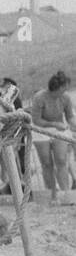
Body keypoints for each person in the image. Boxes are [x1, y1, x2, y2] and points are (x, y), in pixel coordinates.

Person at [30, 71, 74, 203]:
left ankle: (66, 193)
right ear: (58, 87)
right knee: (47, 163)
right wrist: (53, 123)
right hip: (41, 131)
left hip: (59, 130)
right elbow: (36, 120)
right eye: (64, 87)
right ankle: (52, 194)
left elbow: (70, 117)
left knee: (61, 160)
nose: (66, 89)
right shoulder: (39, 97)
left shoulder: (65, 98)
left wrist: (73, 125)